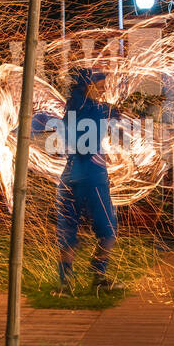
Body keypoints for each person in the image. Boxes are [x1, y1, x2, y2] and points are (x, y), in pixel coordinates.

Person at [46, 67, 126, 295]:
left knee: (67, 231)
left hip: (69, 178)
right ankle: (99, 277)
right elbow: (91, 139)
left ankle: (64, 284)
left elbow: (64, 144)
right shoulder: (99, 110)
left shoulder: (70, 109)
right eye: (100, 83)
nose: (103, 88)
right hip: (92, 177)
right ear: (89, 84)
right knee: (108, 231)